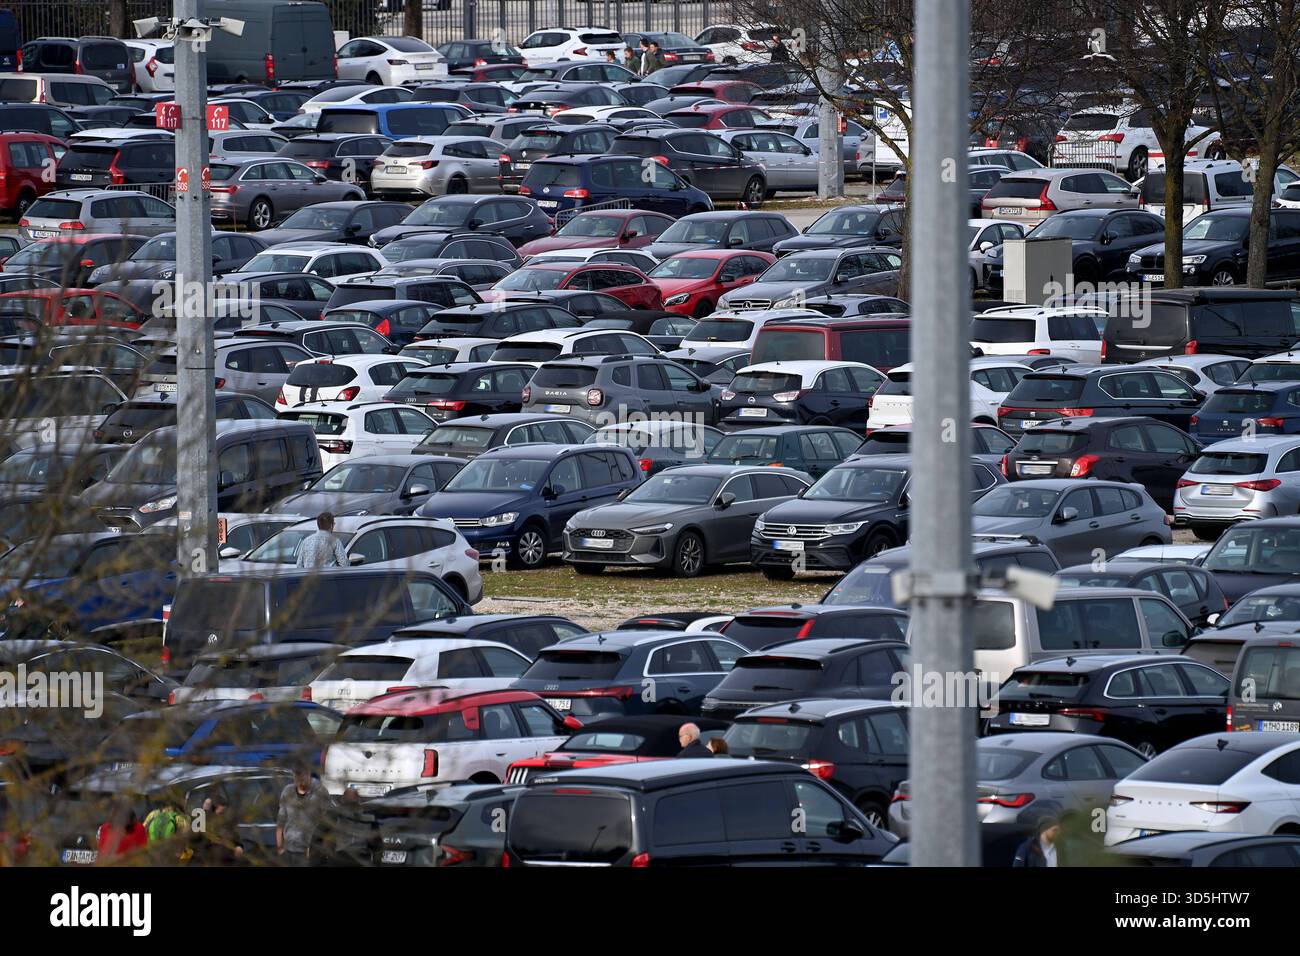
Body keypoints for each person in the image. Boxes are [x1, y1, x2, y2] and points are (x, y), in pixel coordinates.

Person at [277, 764, 328, 865]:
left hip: (309, 852)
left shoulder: (320, 793)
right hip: (288, 850)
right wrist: (280, 847)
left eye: (302, 779)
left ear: (308, 774)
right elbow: (281, 820)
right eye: (297, 779)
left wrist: (315, 849)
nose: (300, 782)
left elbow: (327, 824)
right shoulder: (287, 791)